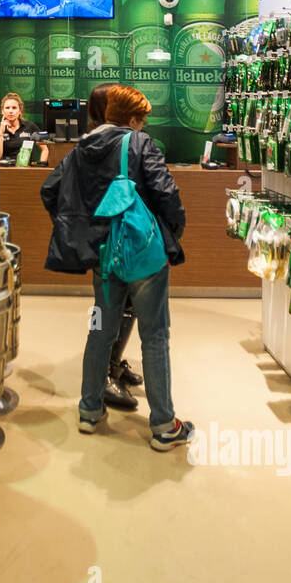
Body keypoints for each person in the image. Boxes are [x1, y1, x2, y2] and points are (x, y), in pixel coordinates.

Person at [41, 85, 192, 451]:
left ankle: (89, 411)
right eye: (141, 119)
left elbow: (50, 190)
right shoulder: (140, 144)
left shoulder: (81, 148)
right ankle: (163, 426)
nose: (143, 125)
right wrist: (170, 233)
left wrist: (82, 228)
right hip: (144, 259)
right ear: (133, 119)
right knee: (155, 336)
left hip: (103, 262)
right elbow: (167, 195)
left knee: (99, 330)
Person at [86, 83, 140, 412]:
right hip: (108, 241)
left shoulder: (122, 141)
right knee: (104, 311)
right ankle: (102, 376)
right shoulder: (98, 144)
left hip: (125, 239)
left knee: (128, 305)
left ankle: (114, 364)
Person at [0, 92, 49, 164]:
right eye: (7, 108)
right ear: (2, 111)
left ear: (20, 111)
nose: (10, 111)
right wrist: (1, 133)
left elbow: (45, 149)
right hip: (6, 170)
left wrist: (41, 167)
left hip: (27, 171)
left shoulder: (31, 126)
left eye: (14, 108)